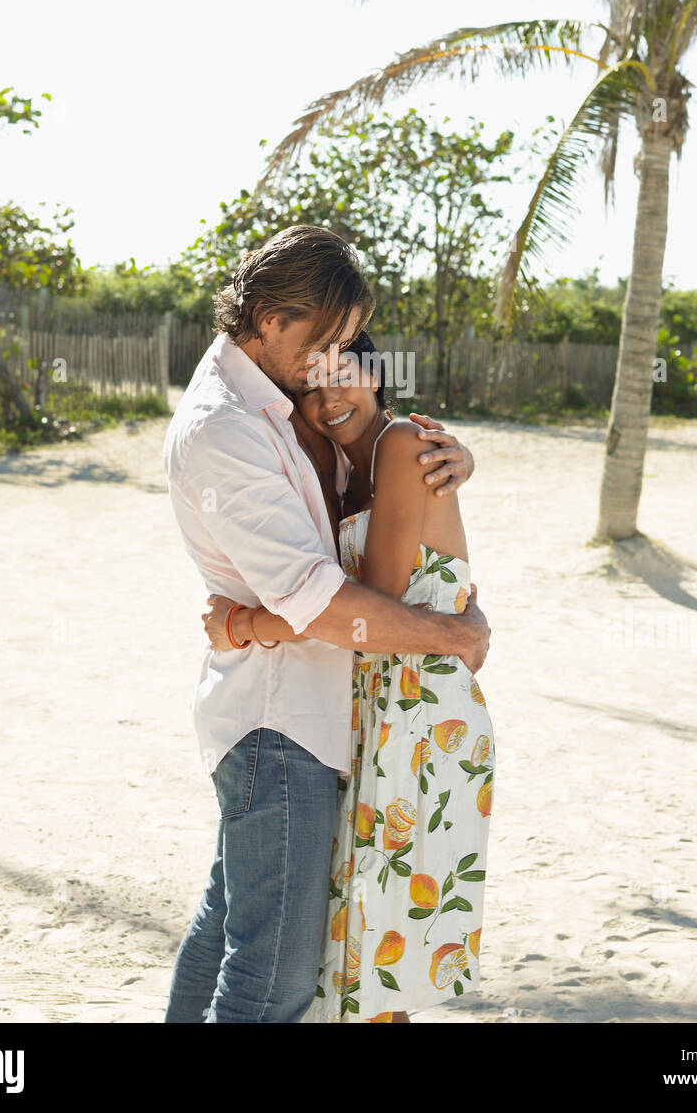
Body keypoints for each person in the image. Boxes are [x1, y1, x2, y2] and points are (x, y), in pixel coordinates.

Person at [162, 225, 490, 1023]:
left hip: (310, 713)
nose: (337, 360)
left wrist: (446, 463)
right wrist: (456, 635)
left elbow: (379, 483)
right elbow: (323, 597)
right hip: (281, 726)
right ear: (271, 318)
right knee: (272, 978)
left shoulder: (277, 405)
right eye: (328, 337)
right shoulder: (227, 425)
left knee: (228, 930)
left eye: (350, 346)